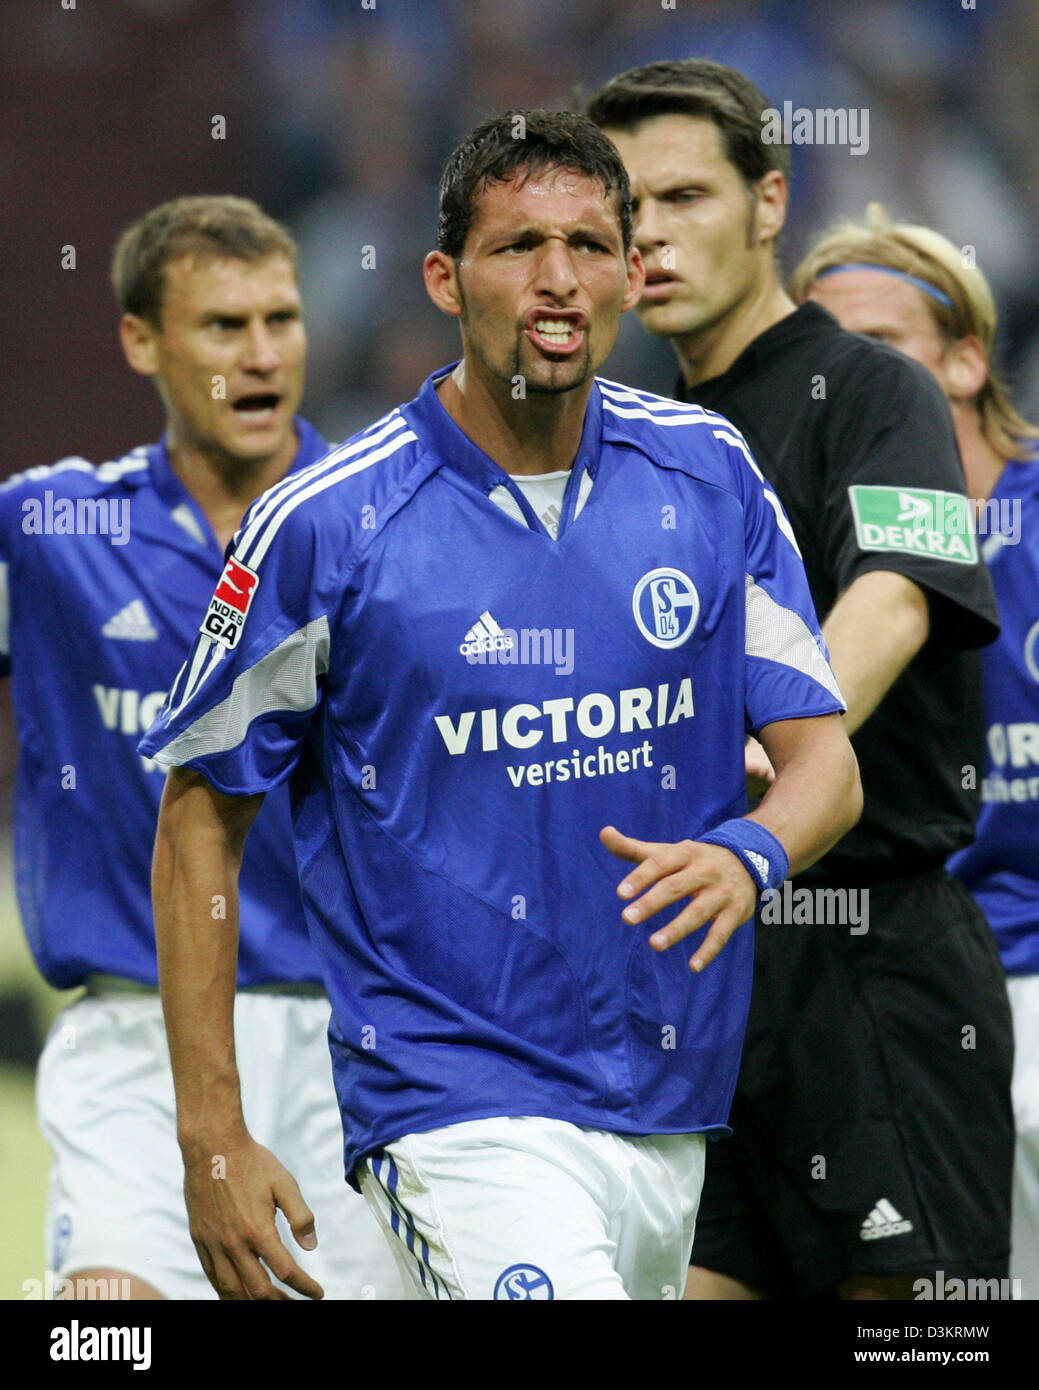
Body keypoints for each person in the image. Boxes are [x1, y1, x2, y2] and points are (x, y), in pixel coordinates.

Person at [139, 110, 862, 1303]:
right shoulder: (324, 526)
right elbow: (197, 820)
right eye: (518, 245)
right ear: (443, 277)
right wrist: (210, 1133)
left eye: (587, 244)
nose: (557, 279)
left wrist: (751, 854)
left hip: (669, 1100)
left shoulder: (712, 474)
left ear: (632, 273)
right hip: (450, 1103)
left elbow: (824, 763)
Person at [586, 60, 1013, 1301]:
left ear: (770, 202)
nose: (647, 235)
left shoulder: (877, 388)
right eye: (623, 209)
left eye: (681, 196)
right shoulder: (635, 436)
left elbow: (896, 595)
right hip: (710, 975)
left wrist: (771, 763)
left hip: (873, 955)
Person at [1, 195, 401, 1301]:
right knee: (103, 1322)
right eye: (225, 327)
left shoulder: (387, 526)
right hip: (137, 1036)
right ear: (142, 340)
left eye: (283, 319)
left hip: (356, 1040)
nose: (264, 354)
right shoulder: (51, 532)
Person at [791, 204, 1039, 1300]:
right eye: (823, 356)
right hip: (902, 987)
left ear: (968, 356)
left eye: (878, 349)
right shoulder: (795, 556)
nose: (846, 383)